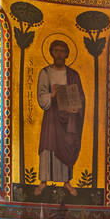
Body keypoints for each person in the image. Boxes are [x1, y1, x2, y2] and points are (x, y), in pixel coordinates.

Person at [36, 41, 85, 183]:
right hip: (52, 116)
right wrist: (52, 94)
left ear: (67, 54)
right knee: (48, 146)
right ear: (51, 52)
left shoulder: (73, 74)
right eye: (56, 50)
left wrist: (78, 107)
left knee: (67, 145)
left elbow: (80, 95)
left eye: (62, 51)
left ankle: (66, 182)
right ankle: (44, 181)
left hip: (69, 117)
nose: (59, 54)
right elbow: (41, 95)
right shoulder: (45, 73)